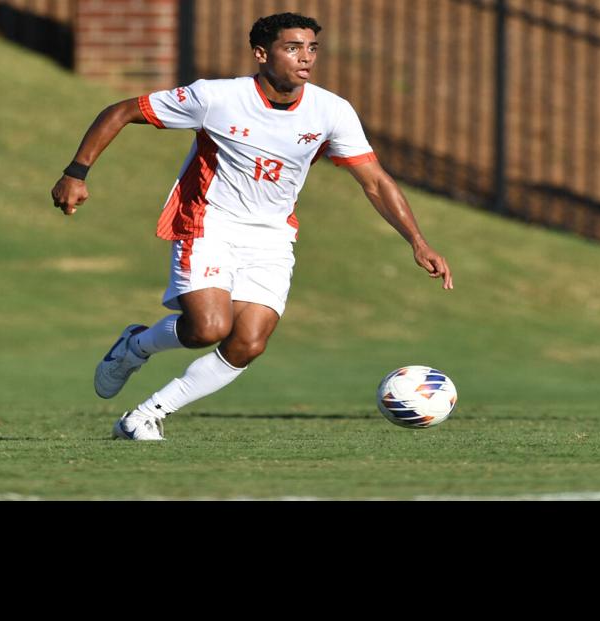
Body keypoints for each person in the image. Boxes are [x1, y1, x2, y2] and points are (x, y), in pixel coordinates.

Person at [53, 11, 454, 441]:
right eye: (293, 48)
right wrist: (76, 173)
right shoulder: (216, 97)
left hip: (272, 237)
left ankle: (145, 416)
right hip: (209, 223)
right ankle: (136, 346)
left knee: (248, 343)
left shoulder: (331, 111)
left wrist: (417, 240)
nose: (306, 58)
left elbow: (375, 181)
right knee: (207, 329)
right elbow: (122, 111)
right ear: (261, 54)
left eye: (312, 48)